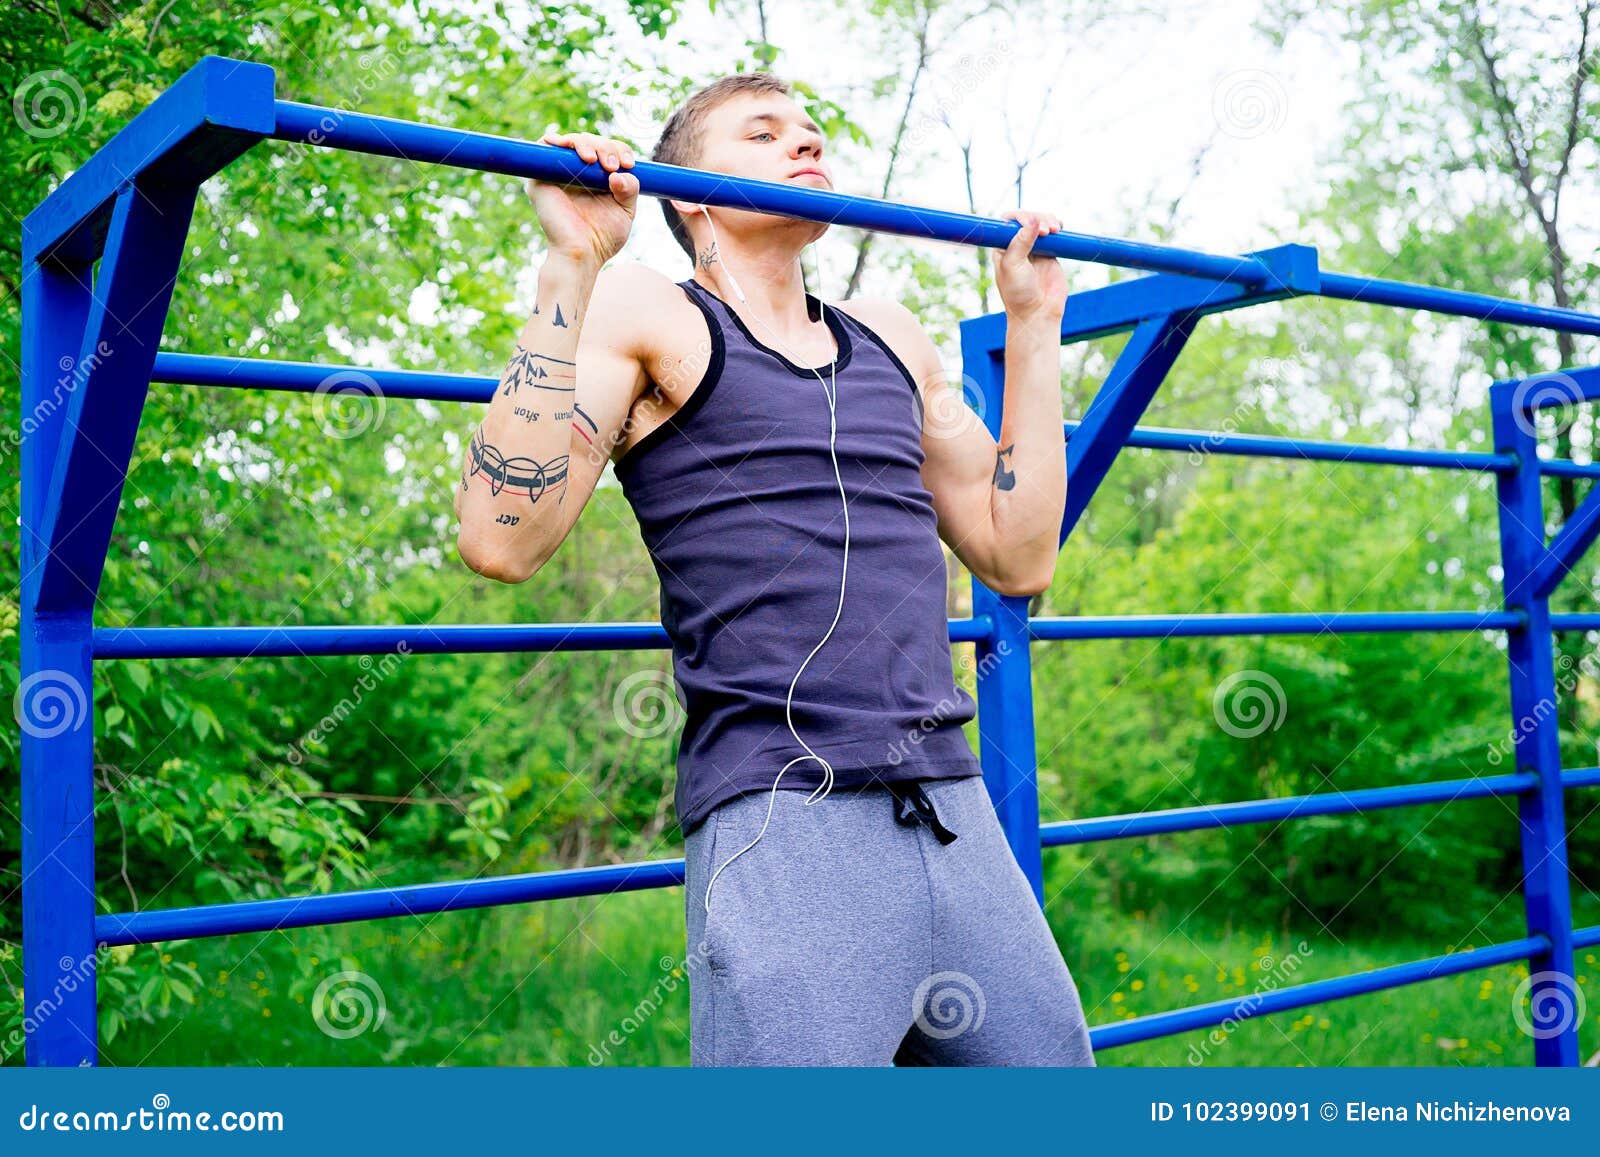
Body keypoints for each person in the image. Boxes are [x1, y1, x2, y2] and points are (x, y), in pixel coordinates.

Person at [454, 71, 1092, 1067]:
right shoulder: (648, 311)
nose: (805, 142)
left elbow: (1019, 551)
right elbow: (500, 534)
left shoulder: (891, 333)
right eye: (763, 132)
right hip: (783, 816)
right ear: (690, 193)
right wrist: (571, 270)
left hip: (951, 805)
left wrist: (1034, 321)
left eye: (810, 129)